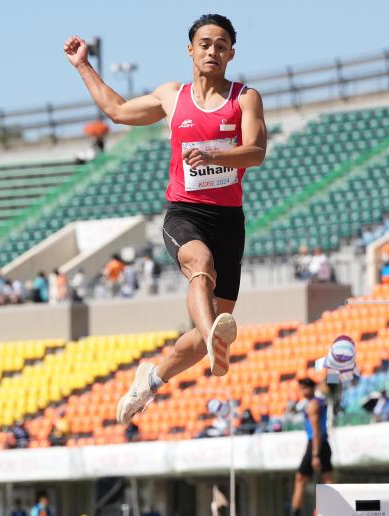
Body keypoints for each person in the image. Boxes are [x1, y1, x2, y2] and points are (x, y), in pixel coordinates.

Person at [65, 14, 267, 425]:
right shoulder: (173, 97)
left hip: (228, 220)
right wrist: (84, 64)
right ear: (191, 50)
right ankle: (214, 341)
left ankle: (151, 379)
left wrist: (214, 155)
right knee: (200, 269)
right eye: (205, 43)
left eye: (222, 44)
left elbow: (256, 151)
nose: (213, 50)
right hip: (185, 213)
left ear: (232, 52)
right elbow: (117, 110)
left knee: (197, 338)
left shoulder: (245, 98)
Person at [274, 378, 332, 516]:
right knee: (328, 480)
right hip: (322, 443)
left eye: (304, 388)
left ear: (310, 388)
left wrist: (314, 454)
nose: (301, 391)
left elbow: (314, 430)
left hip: (316, 444)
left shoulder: (313, 404)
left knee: (301, 479)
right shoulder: (319, 402)